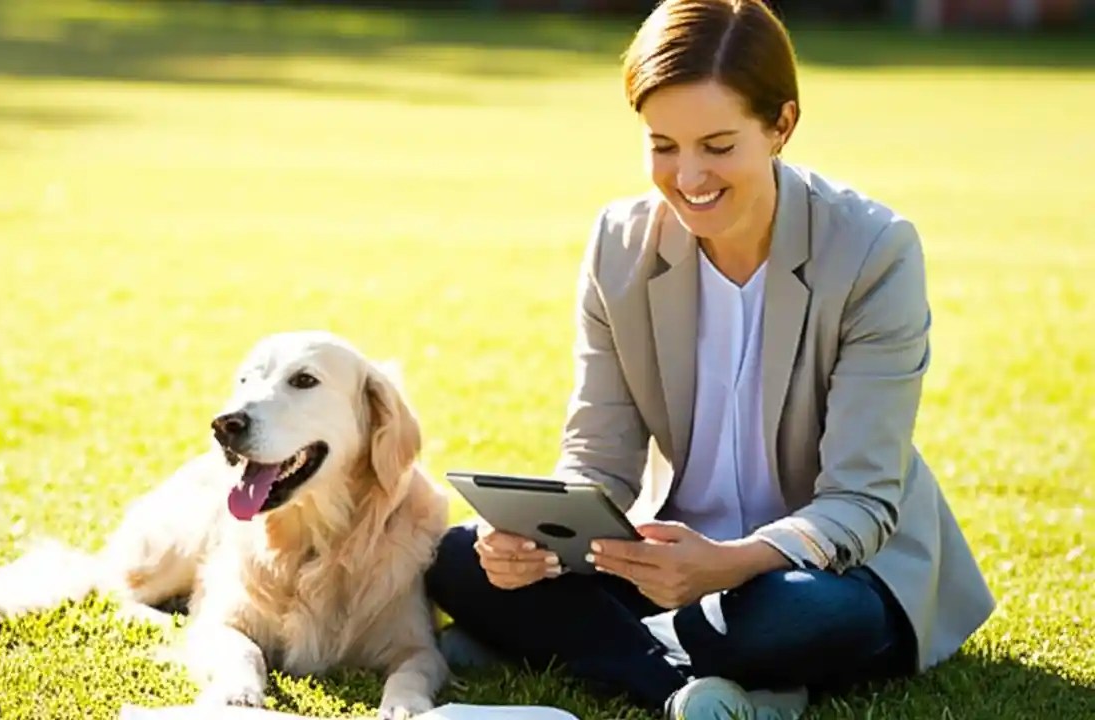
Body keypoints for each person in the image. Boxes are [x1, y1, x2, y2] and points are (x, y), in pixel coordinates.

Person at [423, 1, 995, 718]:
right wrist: (537, 547)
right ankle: (682, 685)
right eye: (663, 145)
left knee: (802, 620)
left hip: (817, 569)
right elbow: (597, 462)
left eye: (718, 146)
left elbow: (862, 501)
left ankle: (578, 643)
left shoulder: (874, 251)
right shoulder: (620, 244)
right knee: (457, 557)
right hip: (664, 558)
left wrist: (728, 564)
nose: (688, 176)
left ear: (781, 125)